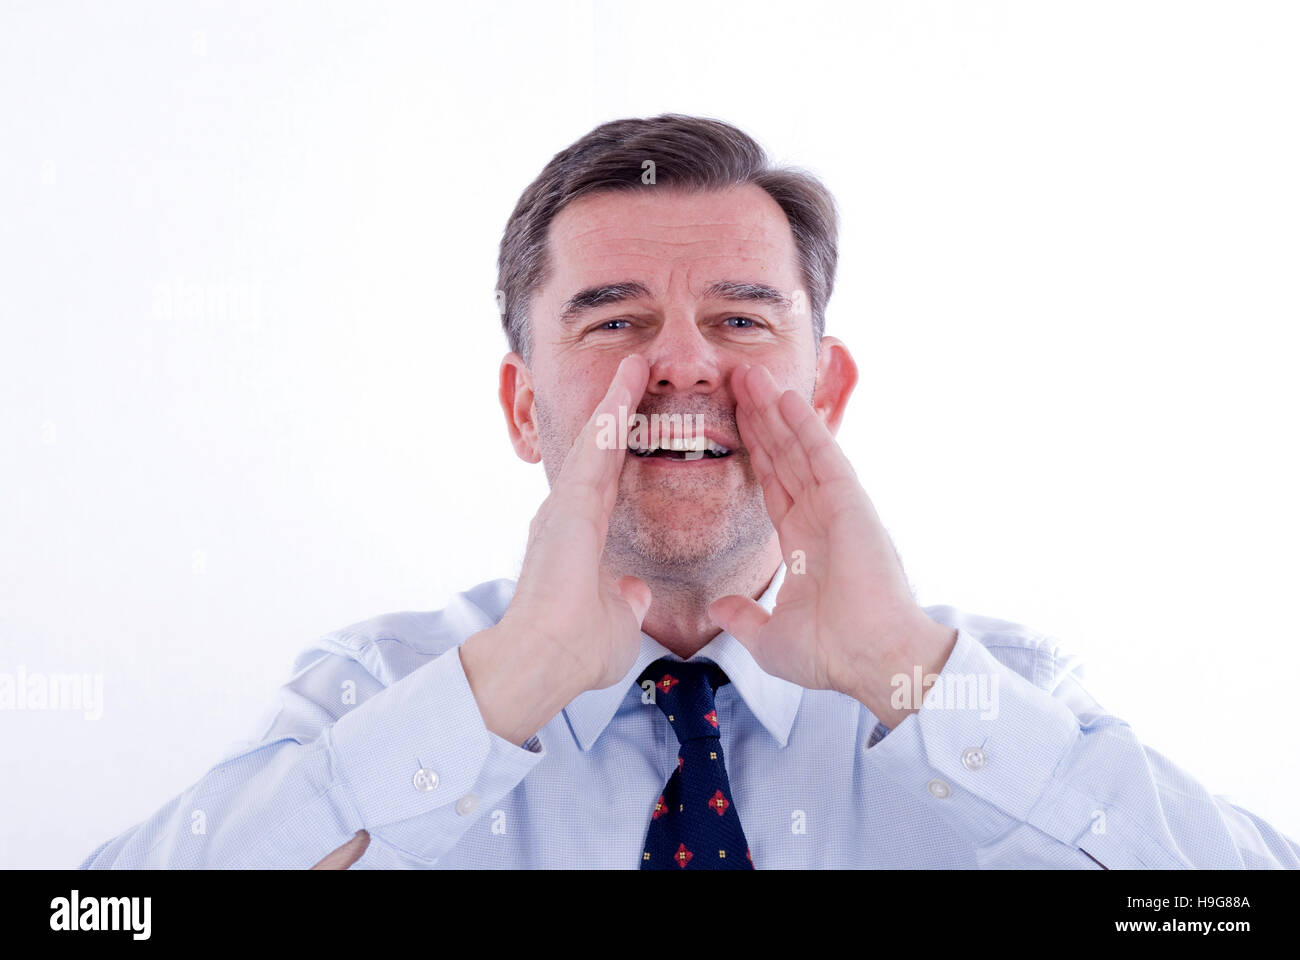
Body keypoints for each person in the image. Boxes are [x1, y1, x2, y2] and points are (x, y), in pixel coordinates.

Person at [80, 114, 1299, 869]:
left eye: (740, 318)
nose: (683, 365)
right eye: (614, 320)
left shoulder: (995, 694)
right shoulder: (374, 694)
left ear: (826, 392)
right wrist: (500, 693)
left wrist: (915, 681)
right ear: (521, 406)